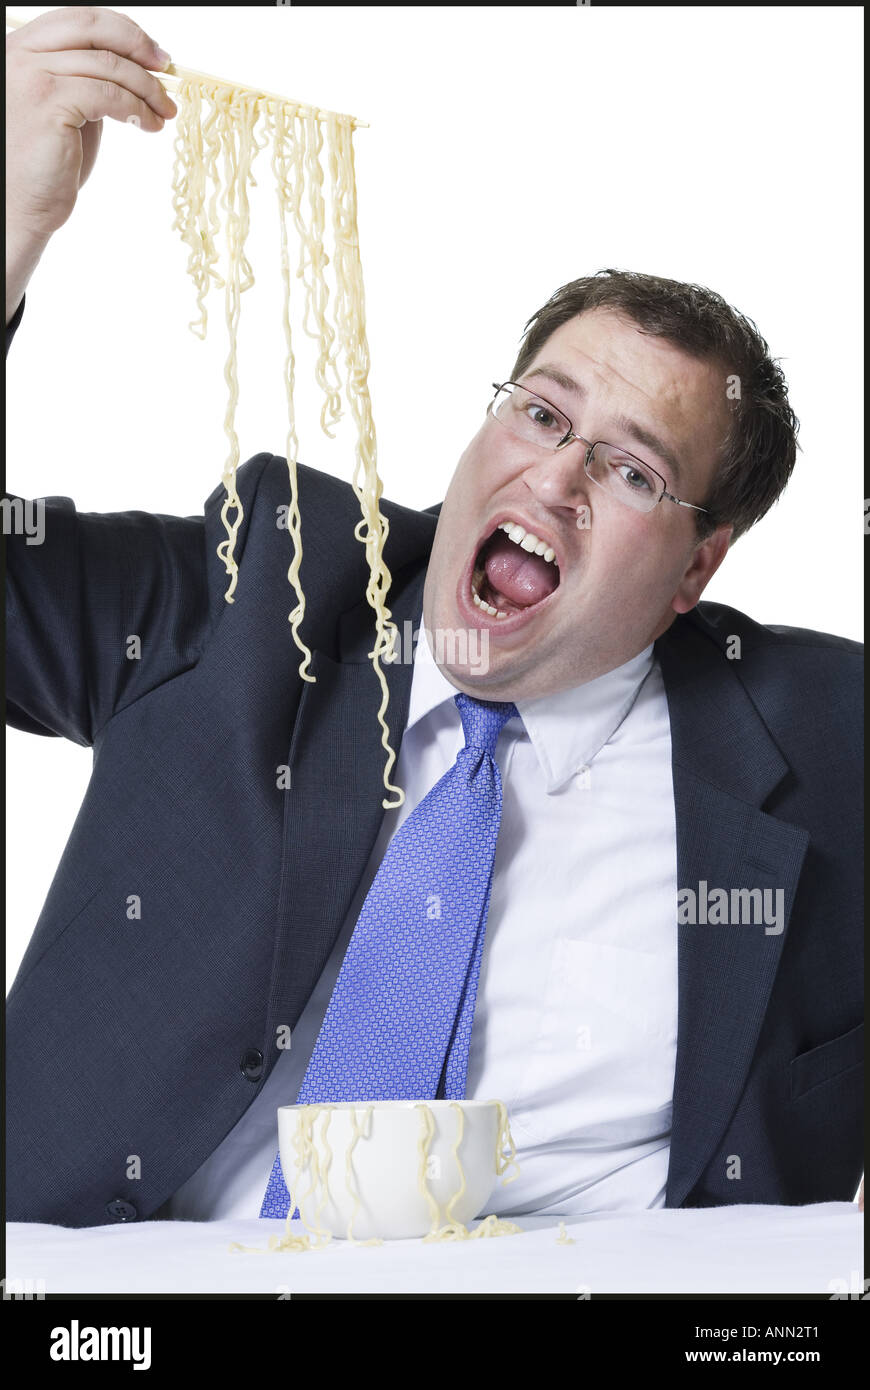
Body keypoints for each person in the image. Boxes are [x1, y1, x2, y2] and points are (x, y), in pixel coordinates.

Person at [5, 6, 862, 1229]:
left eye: (630, 473)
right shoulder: (267, 586)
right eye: (542, 414)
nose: (554, 480)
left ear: (695, 570)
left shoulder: (827, 739)